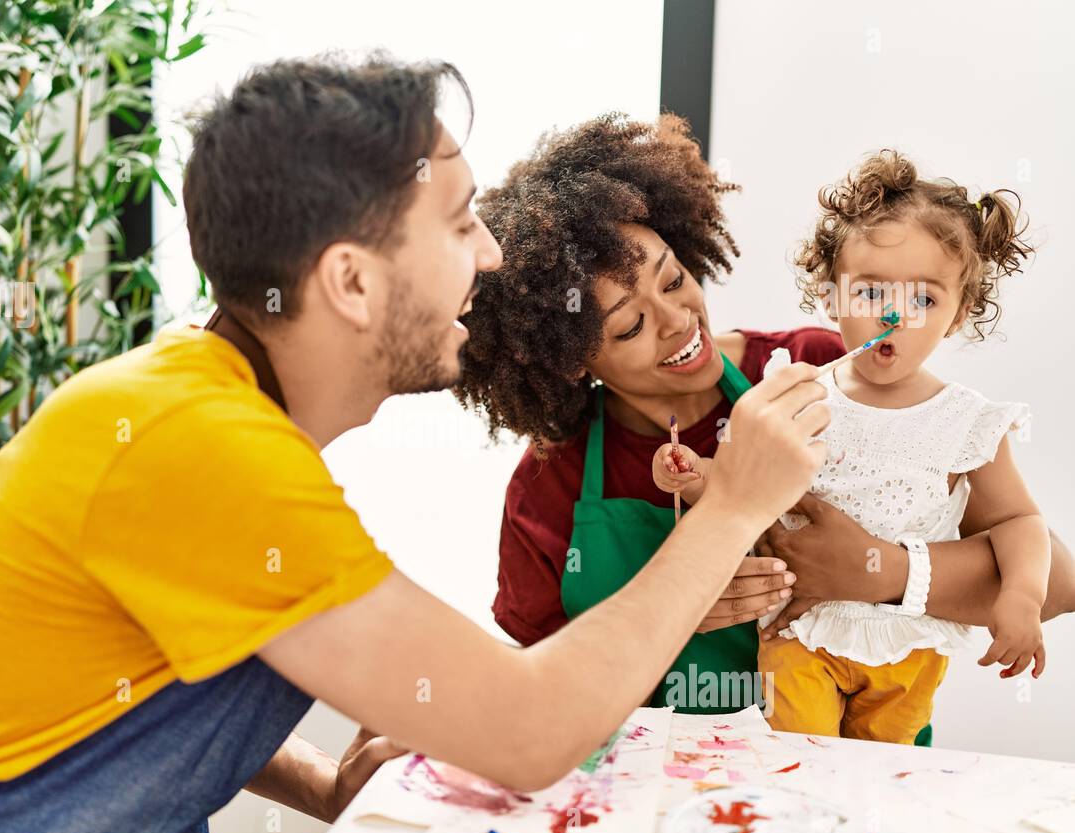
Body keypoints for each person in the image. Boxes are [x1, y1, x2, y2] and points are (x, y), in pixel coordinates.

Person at [0, 56, 827, 833]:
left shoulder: (216, 409)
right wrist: (731, 506)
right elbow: (529, 728)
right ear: (350, 280)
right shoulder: (195, 444)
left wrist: (325, 787)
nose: (487, 256)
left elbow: (150, 676)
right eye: (460, 219)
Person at [453, 114, 1074, 731]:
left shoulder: (817, 370)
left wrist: (876, 569)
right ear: (567, 358)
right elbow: (539, 690)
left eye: (674, 279)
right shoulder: (548, 485)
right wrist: (667, 610)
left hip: (865, 773)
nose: (675, 320)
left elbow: (1060, 581)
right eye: (629, 326)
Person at [659, 150, 1048, 742]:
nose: (894, 314)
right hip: (797, 639)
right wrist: (696, 475)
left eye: (923, 300)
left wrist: (1022, 595)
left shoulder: (966, 422)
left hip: (906, 655)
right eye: (870, 293)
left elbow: (1018, 520)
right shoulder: (793, 393)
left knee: (881, 782)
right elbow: (744, 485)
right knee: (802, 772)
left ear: (958, 313)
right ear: (832, 296)